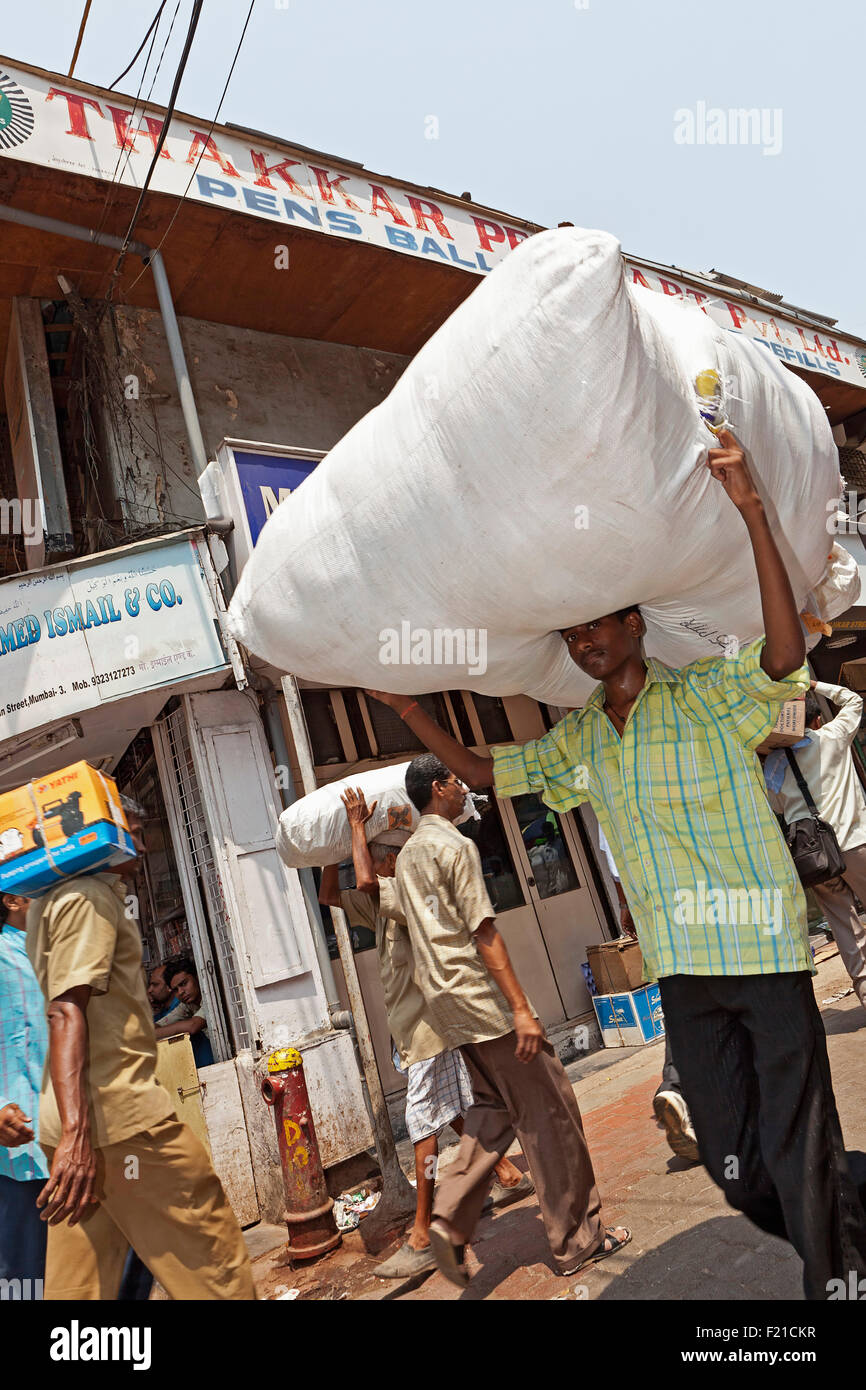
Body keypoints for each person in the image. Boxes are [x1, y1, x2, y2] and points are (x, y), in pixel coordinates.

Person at [367, 430, 866, 1300]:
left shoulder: (707, 696)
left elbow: (785, 658)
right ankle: (847, 1223)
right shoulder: (581, 742)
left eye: (596, 622)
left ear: (634, 624)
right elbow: (486, 774)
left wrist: (750, 509)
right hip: (683, 971)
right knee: (734, 1161)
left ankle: (837, 1280)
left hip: (762, 952)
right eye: (570, 633)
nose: (583, 641)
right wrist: (411, 706)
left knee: (797, 1145)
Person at [353, 755, 630, 1287]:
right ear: (438, 789)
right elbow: (484, 932)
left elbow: (374, 891)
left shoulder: (408, 856)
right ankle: (579, 1241)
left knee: (490, 1116)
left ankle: (448, 1219)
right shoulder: (455, 847)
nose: (465, 790)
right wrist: (522, 1009)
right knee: (549, 1115)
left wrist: (360, 831)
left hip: (448, 1012)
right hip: (483, 1005)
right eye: (457, 782)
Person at [26, 796, 254, 1300]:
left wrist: (70, 1136)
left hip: (85, 1129)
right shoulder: (85, 899)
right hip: (120, 1124)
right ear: (100, 827)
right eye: (136, 827)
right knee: (209, 1250)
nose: (144, 843)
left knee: (79, 1286)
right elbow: (66, 1011)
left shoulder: (50, 900)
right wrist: (77, 1136)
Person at [321, 790, 533, 1280]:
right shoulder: (381, 909)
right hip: (411, 1031)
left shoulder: (405, 896)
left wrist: (356, 828)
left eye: (383, 857)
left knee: (421, 1125)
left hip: (430, 1028)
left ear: (395, 860)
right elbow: (331, 896)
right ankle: (505, 1173)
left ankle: (423, 1231)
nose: (377, 866)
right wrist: (332, 849)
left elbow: (367, 881)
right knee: (452, 1106)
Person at [597, 829, 699, 1162]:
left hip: (653, 915)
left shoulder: (604, 791)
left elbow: (615, 869)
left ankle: (676, 1089)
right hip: (694, 901)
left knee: (680, 995)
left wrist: (626, 905)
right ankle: (685, 1094)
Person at [765, 679, 866, 1007]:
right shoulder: (832, 738)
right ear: (816, 720)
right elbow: (853, 701)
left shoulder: (773, 765)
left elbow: (777, 808)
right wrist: (812, 683)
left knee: (845, 928)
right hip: (855, 844)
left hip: (814, 858)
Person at [0, 891, 48, 1295]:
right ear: (13, 900)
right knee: (23, 1282)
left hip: (67, 1143)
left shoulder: (52, 953)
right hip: (17, 1153)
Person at [158, 959, 214, 1068]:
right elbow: (162, 1023)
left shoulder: (210, 996)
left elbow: (193, 1026)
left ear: (197, 977)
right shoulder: (188, 1004)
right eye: (175, 989)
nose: (180, 992)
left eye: (184, 984)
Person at [146, 962, 191, 1028]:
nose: (149, 990)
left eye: (155, 985)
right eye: (150, 985)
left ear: (169, 986)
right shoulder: (165, 1009)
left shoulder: (183, 1005)